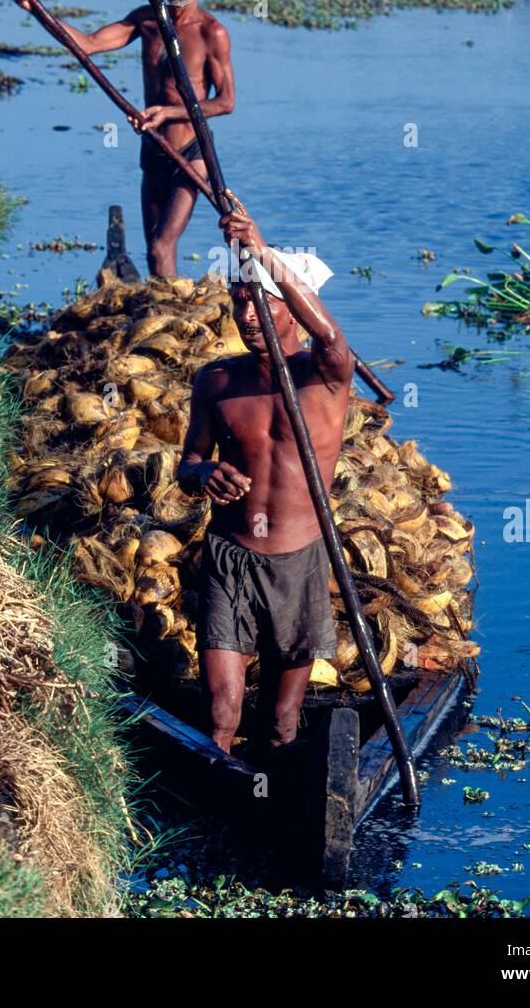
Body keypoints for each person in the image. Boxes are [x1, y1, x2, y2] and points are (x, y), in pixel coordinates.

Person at [178, 207, 355, 756]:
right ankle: (219, 801)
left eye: (262, 305)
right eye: (239, 305)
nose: (248, 318)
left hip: (298, 563)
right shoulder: (217, 380)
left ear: (293, 310)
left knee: (281, 721)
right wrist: (203, 473)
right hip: (230, 556)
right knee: (222, 709)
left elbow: (329, 334)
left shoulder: (324, 376)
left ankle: (273, 801)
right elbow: (187, 465)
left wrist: (261, 249)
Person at [10, 0, 235, 277]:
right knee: (153, 254)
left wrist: (169, 113)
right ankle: (164, 312)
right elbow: (86, 44)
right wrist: (35, 9)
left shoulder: (211, 32)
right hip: (154, 148)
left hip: (193, 153)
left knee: (163, 246)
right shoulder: (146, 20)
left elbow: (225, 102)